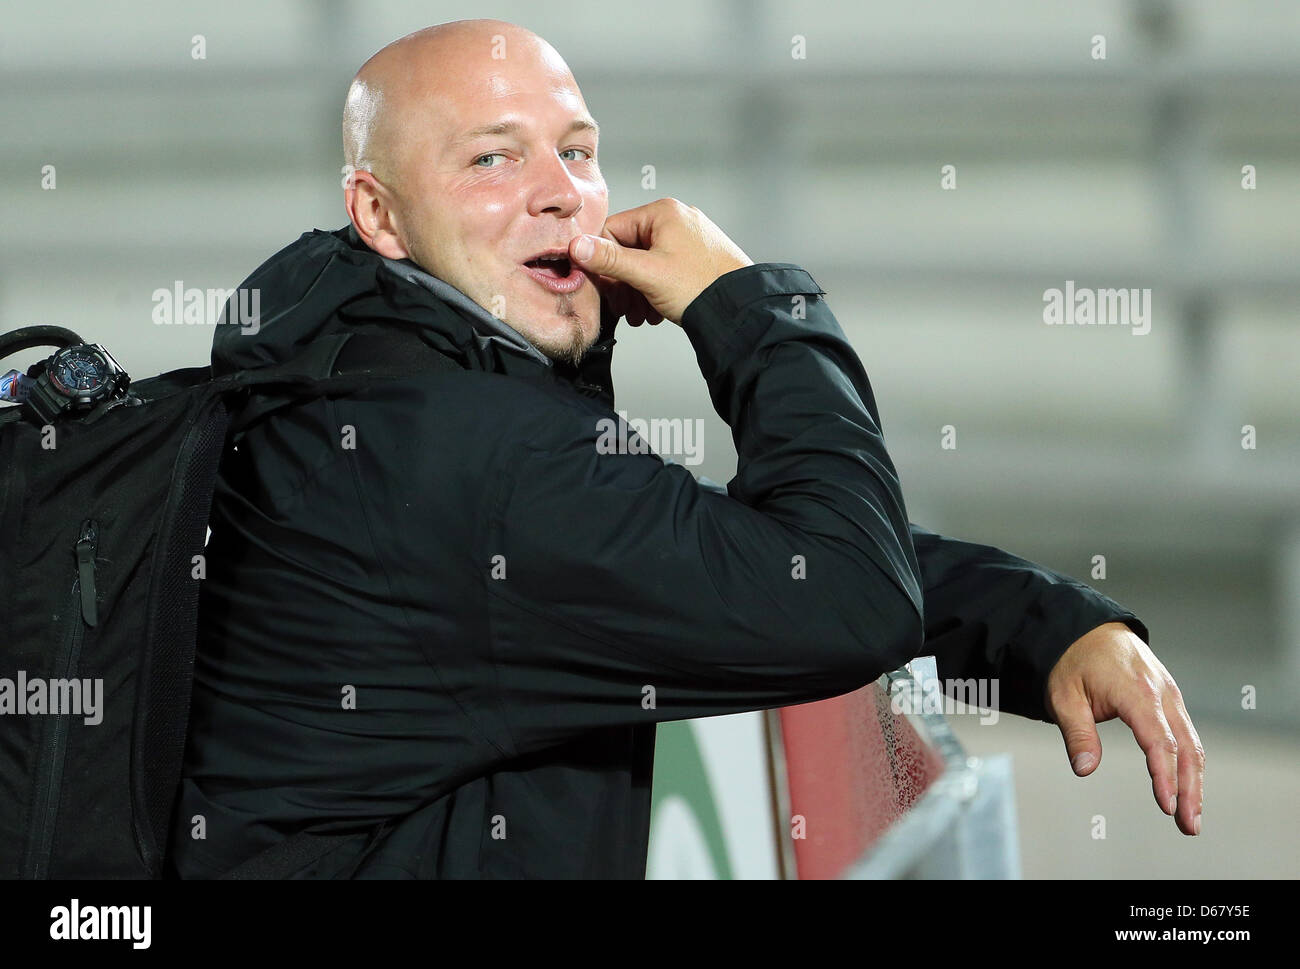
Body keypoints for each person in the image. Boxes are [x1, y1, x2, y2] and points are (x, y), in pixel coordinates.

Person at [168, 19, 1203, 879]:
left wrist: (1048, 623)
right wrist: (751, 307)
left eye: (574, 149)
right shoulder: (456, 455)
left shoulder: (372, 379)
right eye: (491, 157)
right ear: (378, 214)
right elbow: (838, 592)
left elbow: (711, 555)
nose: (560, 191)